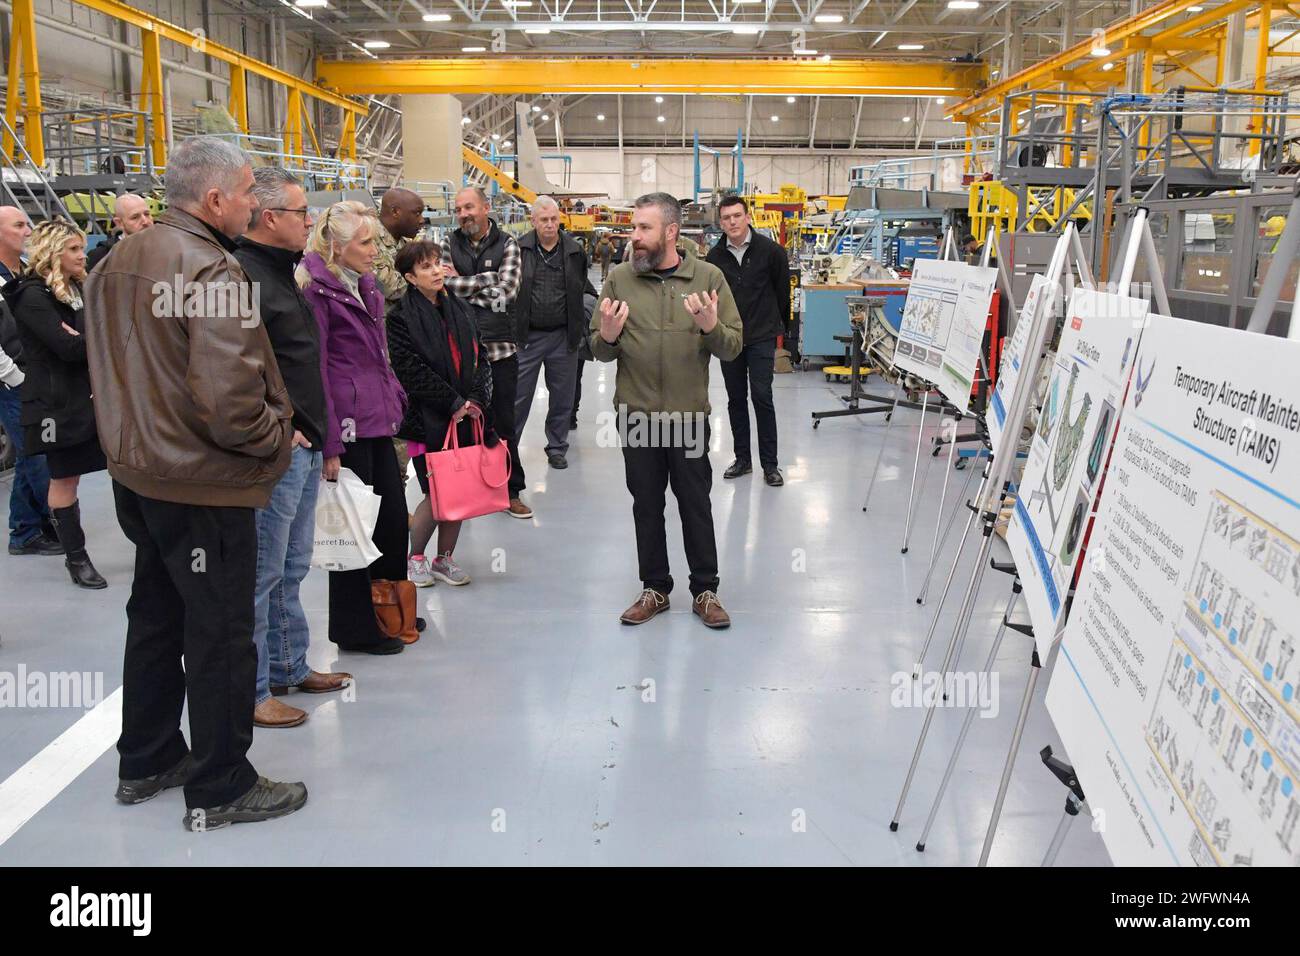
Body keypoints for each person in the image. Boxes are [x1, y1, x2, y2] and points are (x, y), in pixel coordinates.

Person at [84, 136, 304, 830]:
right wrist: (274, 442)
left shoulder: (121, 258)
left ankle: (147, 755)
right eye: (245, 193)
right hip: (204, 484)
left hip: (139, 474)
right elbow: (229, 399)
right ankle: (222, 783)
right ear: (214, 199)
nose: (251, 204)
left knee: (156, 614)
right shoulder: (211, 270)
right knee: (220, 632)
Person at [235, 168, 352, 729]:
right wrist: (278, 425)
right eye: (302, 212)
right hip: (276, 449)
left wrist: (324, 439)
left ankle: (287, 663)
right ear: (269, 217)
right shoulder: (243, 278)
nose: (310, 221)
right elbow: (233, 369)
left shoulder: (284, 275)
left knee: (293, 564)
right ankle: (253, 690)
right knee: (262, 571)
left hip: (305, 446)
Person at [592, 192, 742, 630]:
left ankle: (705, 591)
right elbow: (598, 350)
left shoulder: (708, 278)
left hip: (688, 416)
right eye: (633, 227)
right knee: (646, 503)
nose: (634, 236)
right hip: (636, 415)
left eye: (644, 228)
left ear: (671, 232)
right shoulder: (620, 279)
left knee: (695, 503)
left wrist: (711, 326)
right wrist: (607, 336)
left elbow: (733, 347)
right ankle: (655, 587)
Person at [298, 200, 411, 656]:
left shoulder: (367, 288)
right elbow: (317, 369)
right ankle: (354, 626)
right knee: (351, 530)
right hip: (346, 428)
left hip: (377, 418)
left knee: (389, 521)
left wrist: (396, 396)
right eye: (365, 243)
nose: (374, 252)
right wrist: (328, 443)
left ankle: (389, 608)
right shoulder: (315, 293)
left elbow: (378, 356)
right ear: (335, 247)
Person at [8, 219, 107, 588]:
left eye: (82, 248)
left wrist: (86, 335)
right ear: (54, 253)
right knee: (64, 478)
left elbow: (85, 338)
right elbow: (67, 349)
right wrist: (92, 335)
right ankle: (76, 558)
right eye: (74, 250)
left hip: (85, 396)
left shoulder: (77, 288)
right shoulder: (34, 296)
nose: (83, 256)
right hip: (55, 404)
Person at [387, 239, 493, 588]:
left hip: (466, 416)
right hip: (428, 419)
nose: (436, 271)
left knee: (459, 489)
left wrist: (476, 398)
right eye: (426, 267)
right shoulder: (399, 318)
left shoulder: (459, 308)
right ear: (410, 277)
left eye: (437, 263)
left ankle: (443, 559)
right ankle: (414, 557)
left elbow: (480, 357)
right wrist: (453, 403)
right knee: (437, 493)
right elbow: (411, 370)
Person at [441, 187, 527, 517]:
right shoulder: (450, 241)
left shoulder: (507, 243)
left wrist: (463, 282)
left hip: (500, 351)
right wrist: (484, 280)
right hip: (461, 354)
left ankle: (511, 489)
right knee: (465, 424)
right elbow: (443, 285)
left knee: (504, 424)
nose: (464, 214)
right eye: (459, 209)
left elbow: (506, 293)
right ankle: (471, 492)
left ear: (486, 207)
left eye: (469, 207)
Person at [705, 195, 790, 487]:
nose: (732, 222)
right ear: (721, 222)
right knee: (735, 399)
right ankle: (743, 459)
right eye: (726, 218)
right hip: (730, 338)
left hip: (762, 335)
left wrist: (783, 333)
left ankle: (770, 465)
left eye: (737, 216)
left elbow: (783, 295)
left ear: (747, 217)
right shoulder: (714, 258)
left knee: (762, 397)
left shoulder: (772, 252)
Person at [512, 196, 597, 472]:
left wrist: (582, 324)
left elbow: (584, 288)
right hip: (527, 337)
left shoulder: (574, 251)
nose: (549, 225)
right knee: (518, 397)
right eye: (543, 220)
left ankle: (557, 447)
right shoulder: (518, 249)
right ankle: (509, 449)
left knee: (562, 396)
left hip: (563, 337)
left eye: (553, 219)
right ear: (533, 221)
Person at [0, 207, 59, 557]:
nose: (27, 231)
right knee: (36, 455)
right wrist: (14, 377)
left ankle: (24, 530)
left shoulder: (21, 273)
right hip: (13, 382)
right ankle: (54, 521)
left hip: (33, 378)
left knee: (29, 453)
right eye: (19, 225)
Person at [374, 187, 426, 306]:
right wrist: (427, 283)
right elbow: (392, 288)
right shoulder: (368, 239)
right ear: (395, 212)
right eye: (417, 213)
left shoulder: (405, 241)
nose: (422, 220)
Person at [86, 193, 154, 272]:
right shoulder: (102, 256)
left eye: (147, 214)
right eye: (135, 217)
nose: (145, 221)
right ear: (119, 223)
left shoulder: (165, 249)